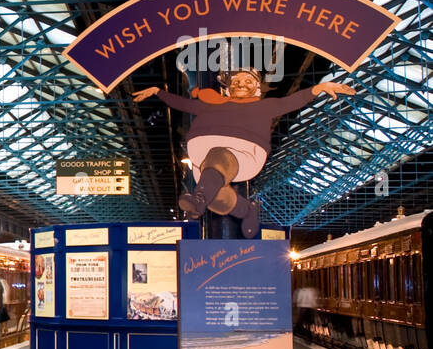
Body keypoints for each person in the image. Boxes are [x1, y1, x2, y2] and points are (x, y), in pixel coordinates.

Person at [133, 67, 355, 237]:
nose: (241, 83)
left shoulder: (264, 106)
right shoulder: (211, 104)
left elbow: (291, 101)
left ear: (256, 89)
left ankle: (198, 199)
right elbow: (182, 104)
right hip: (204, 159)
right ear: (228, 87)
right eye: (237, 80)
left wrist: (320, 88)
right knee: (218, 200)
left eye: (248, 80)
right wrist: (158, 92)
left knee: (219, 156)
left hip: (244, 153)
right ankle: (247, 210)